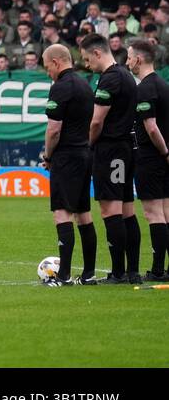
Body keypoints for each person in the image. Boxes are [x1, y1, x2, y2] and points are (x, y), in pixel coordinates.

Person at [79, 33, 142, 283]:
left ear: (97, 53)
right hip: (127, 148)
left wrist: (90, 143)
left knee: (110, 209)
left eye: (86, 59)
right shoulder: (127, 75)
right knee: (127, 209)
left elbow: (96, 121)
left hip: (111, 150)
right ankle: (132, 271)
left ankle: (118, 272)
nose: (86, 65)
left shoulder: (109, 79)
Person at [40, 42, 99, 285]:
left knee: (62, 212)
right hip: (85, 154)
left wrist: (48, 156)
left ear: (56, 62)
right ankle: (88, 274)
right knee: (83, 214)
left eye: (47, 67)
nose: (47, 73)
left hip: (66, 156)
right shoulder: (85, 85)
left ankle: (63, 276)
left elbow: (54, 130)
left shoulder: (60, 87)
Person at [126, 39, 169, 280]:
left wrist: (164, 152)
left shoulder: (145, 88)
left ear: (139, 59)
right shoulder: (163, 84)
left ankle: (157, 270)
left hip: (151, 156)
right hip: (162, 156)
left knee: (153, 214)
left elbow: (151, 128)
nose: (128, 61)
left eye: (130, 56)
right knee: (165, 213)